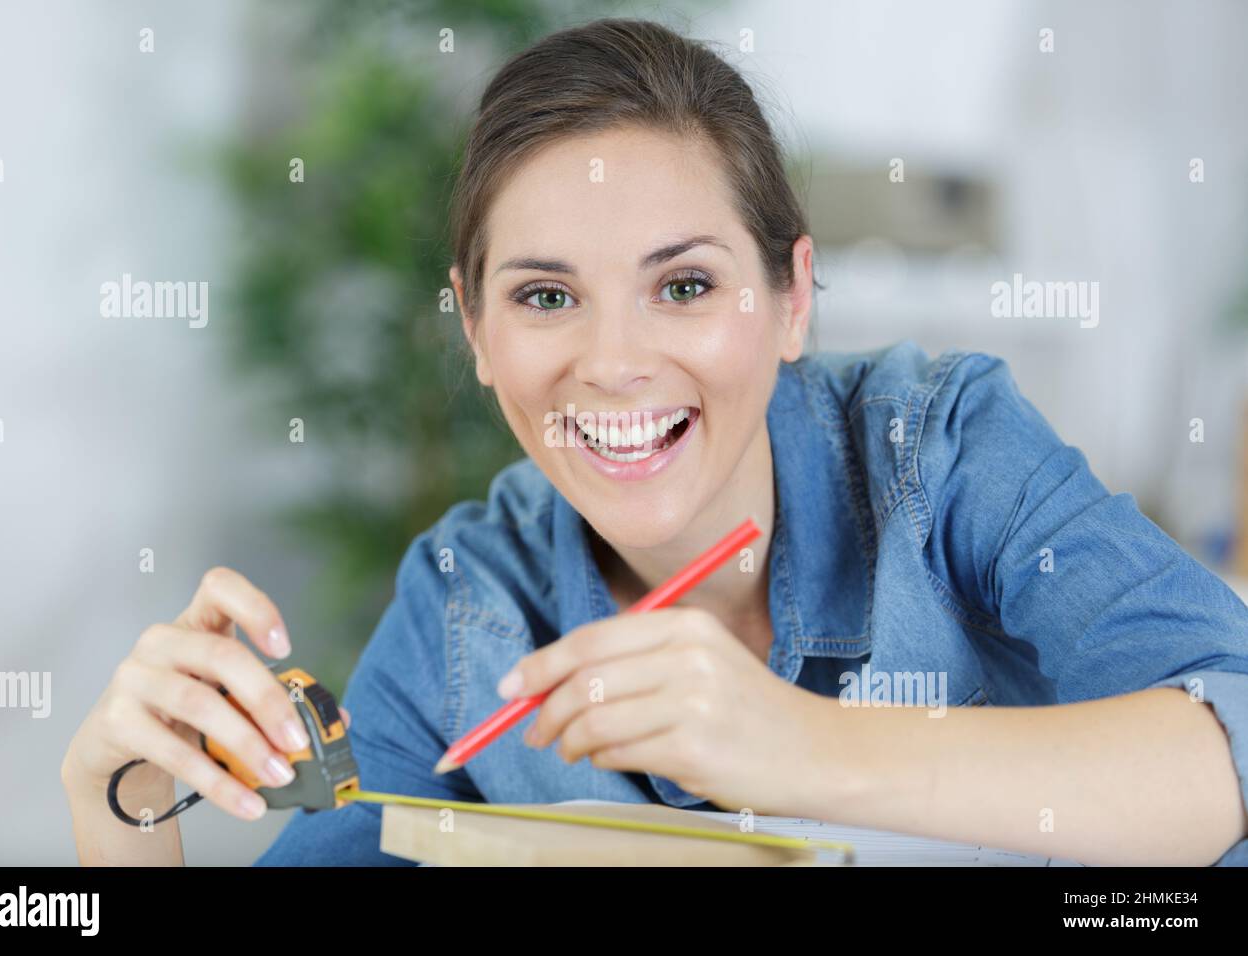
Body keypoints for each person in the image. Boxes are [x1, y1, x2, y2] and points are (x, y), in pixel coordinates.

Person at [62, 17, 1248, 866]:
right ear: (473, 329)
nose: (615, 361)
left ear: (793, 298)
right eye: (542, 296)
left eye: (682, 285)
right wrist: (119, 811)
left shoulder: (935, 448)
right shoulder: (469, 599)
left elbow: (1227, 739)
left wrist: (800, 744)